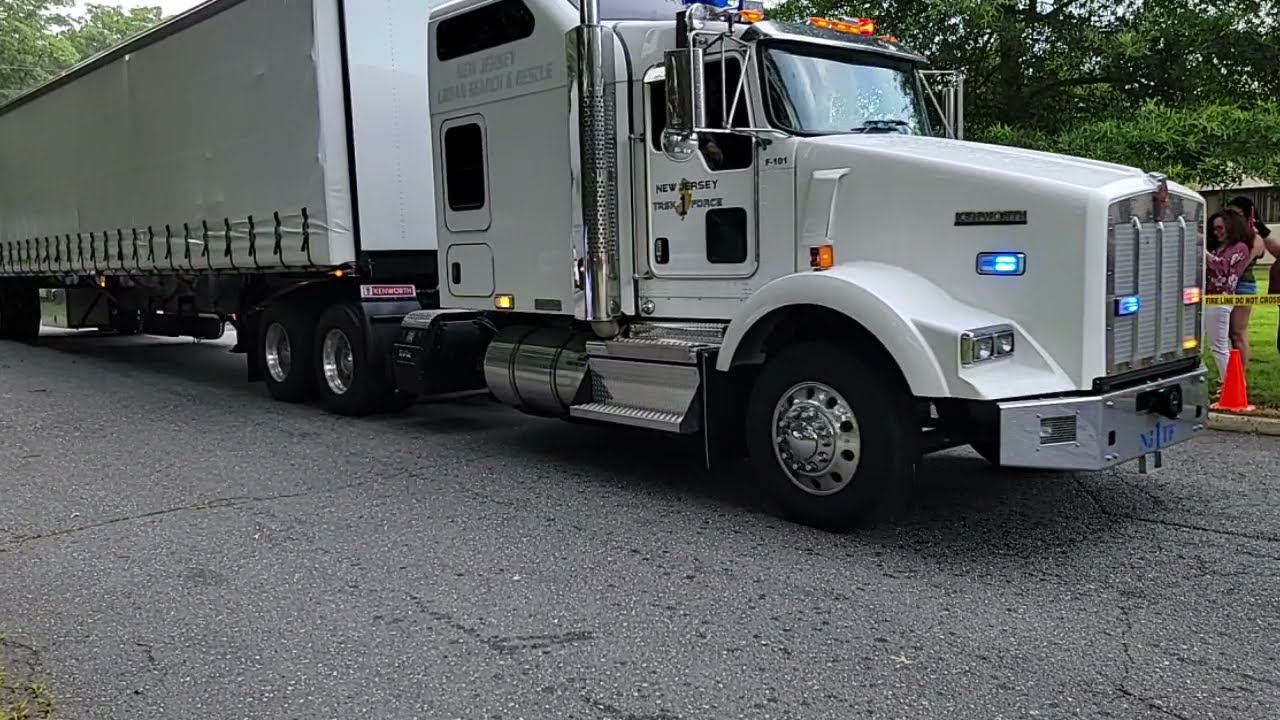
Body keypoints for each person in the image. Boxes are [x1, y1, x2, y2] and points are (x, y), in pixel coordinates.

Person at [1204, 211, 1255, 379]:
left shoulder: (1240, 248)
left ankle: (1231, 384)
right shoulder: (1220, 248)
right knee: (1217, 344)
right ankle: (1230, 383)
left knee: (1218, 346)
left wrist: (1202, 252)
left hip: (1220, 298)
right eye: (1214, 228)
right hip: (1210, 298)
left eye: (1220, 228)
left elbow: (1223, 270)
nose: (1216, 232)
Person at [1223, 197, 1271, 369]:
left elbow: (1253, 255)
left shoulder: (1253, 236)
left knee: (1237, 332)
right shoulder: (1227, 234)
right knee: (1226, 334)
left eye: (1236, 213)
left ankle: (1239, 378)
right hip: (1225, 287)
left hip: (1243, 286)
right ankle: (1231, 376)